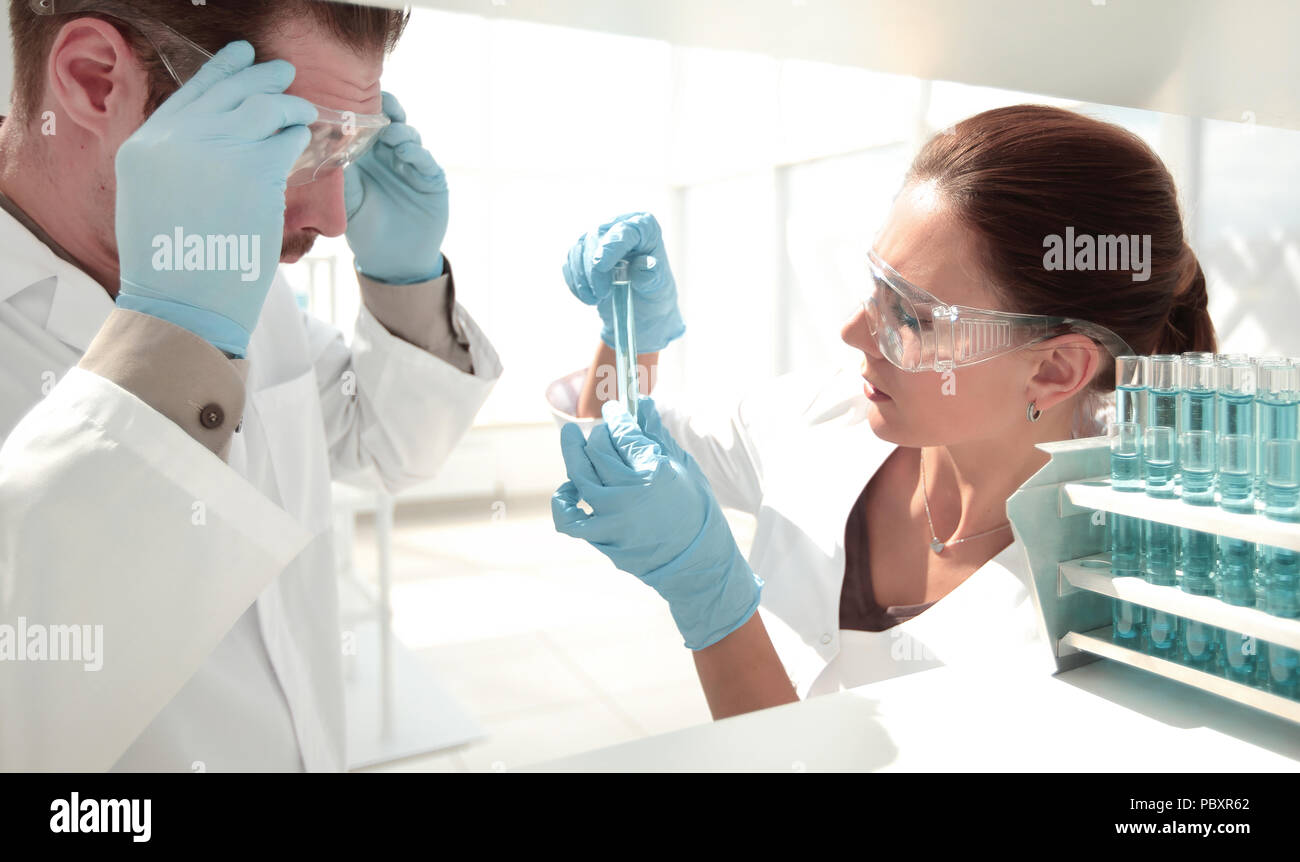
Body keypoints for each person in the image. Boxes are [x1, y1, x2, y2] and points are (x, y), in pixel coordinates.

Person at [549, 105, 1218, 720]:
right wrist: (627, 333)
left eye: (912, 316)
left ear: (1053, 370)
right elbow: (614, 436)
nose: (853, 333)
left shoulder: (1116, 602)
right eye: (875, 287)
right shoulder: (819, 418)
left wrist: (715, 607)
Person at [0, 1, 500, 770]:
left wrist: (405, 282)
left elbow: (384, 448)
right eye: (292, 141)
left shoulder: (236, 271)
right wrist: (170, 351)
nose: (332, 217)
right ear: (94, 81)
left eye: (347, 149)